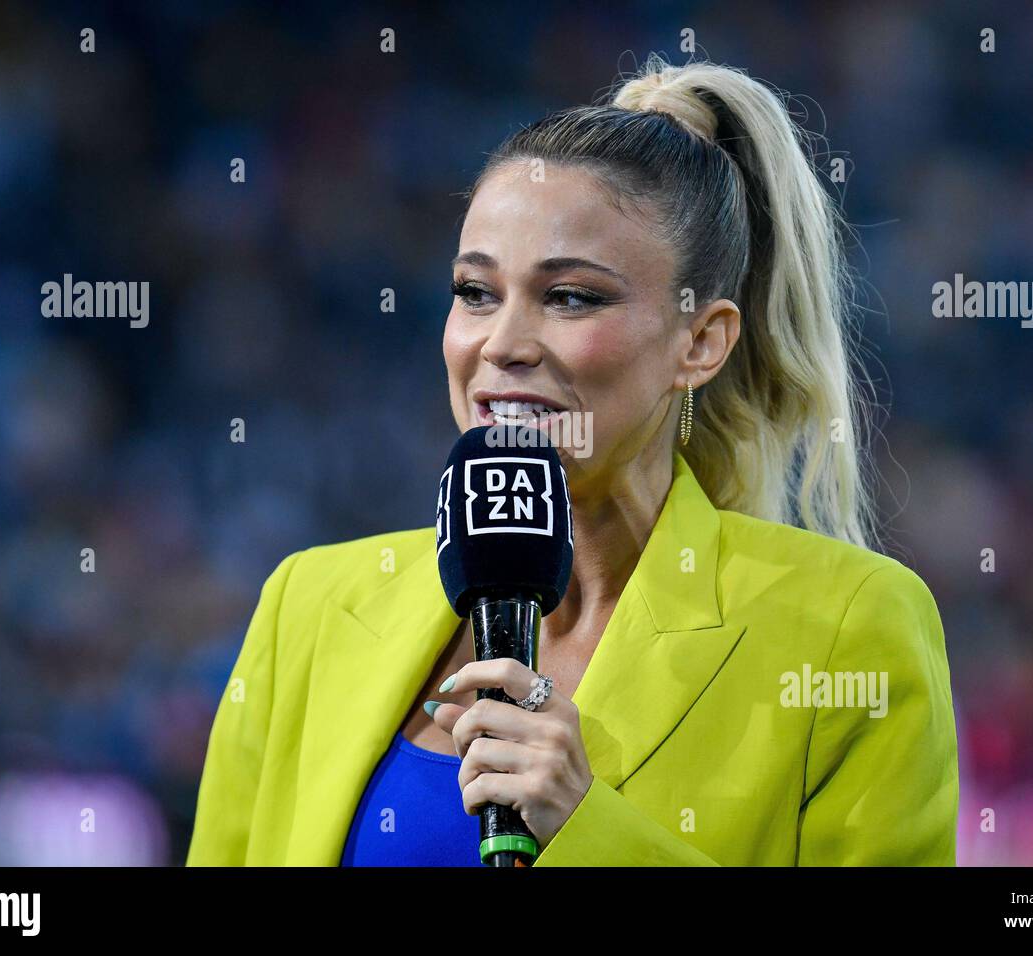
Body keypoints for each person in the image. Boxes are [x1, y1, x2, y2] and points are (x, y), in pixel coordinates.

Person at [187, 54, 959, 866]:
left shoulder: (846, 629)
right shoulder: (309, 608)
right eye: (476, 292)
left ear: (701, 342)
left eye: (571, 297)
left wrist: (588, 828)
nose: (502, 345)